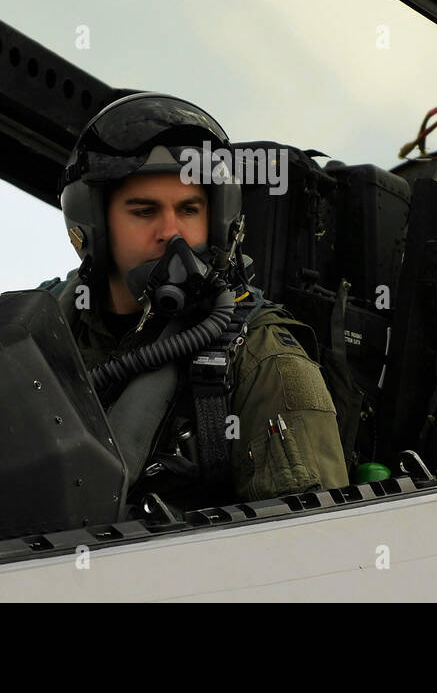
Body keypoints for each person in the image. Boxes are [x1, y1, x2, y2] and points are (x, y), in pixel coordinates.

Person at [45, 93, 348, 507]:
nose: (171, 233)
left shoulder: (263, 359)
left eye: (189, 210)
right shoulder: (41, 329)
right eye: (144, 211)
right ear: (95, 226)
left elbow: (313, 551)